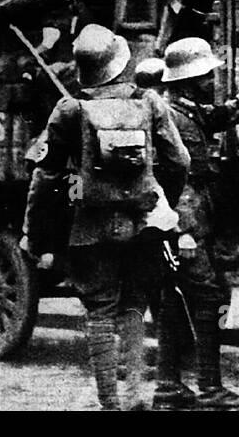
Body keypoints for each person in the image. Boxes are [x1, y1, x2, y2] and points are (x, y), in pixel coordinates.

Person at [24, 25, 190, 410]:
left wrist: (34, 234)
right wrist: (160, 200)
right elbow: (179, 161)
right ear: (119, 63)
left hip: (89, 227)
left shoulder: (70, 110)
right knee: (134, 305)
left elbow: (44, 177)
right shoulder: (149, 103)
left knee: (100, 311)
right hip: (142, 225)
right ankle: (135, 395)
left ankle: (110, 404)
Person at [142, 37, 239, 409]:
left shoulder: (186, 110)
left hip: (190, 216)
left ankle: (168, 386)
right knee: (208, 296)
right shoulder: (172, 117)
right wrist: (182, 232)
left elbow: (226, 113)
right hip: (182, 220)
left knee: (172, 302)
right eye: (205, 74)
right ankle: (210, 388)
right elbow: (170, 179)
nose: (211, 78)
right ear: (187, 80)